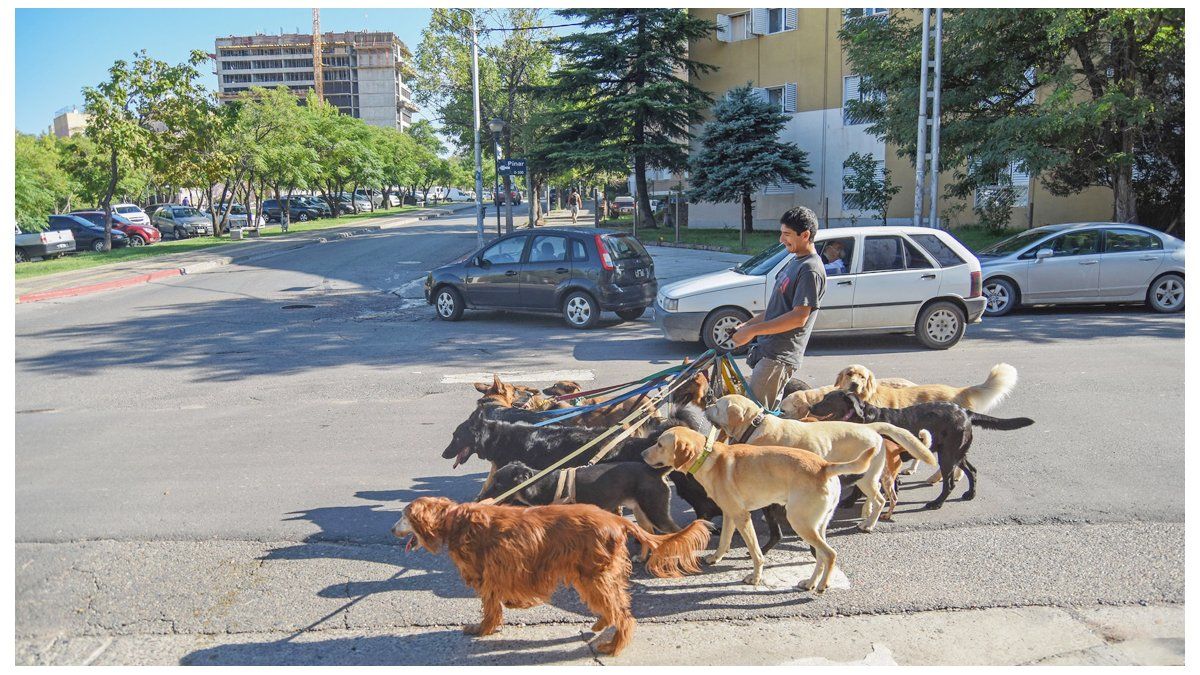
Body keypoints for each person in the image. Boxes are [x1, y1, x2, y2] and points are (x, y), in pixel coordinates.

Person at [728, 206, 827, 411]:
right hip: (768, 351)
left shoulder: (810, 269)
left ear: (806, 235)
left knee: (756, 420)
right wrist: (747, 325)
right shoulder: (795, 261)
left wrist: (752, 331)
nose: (781, 239)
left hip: (779, 356)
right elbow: (777, 309)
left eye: (787, 234)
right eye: (782, 233)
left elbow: (798, 317)